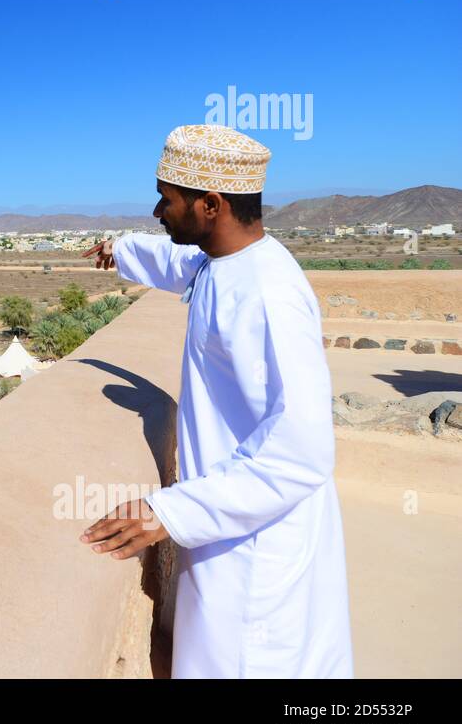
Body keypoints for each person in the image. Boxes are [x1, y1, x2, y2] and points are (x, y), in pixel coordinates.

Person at [79, 124, 353, 678]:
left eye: (168, 198)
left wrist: (171, 511)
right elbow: (178, 265)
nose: (157, 210)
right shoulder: (222, 263)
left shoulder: (268, 296)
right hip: (229, 522)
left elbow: (303, 452)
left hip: (259, 544)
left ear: (210, 204)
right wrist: (120, 249)